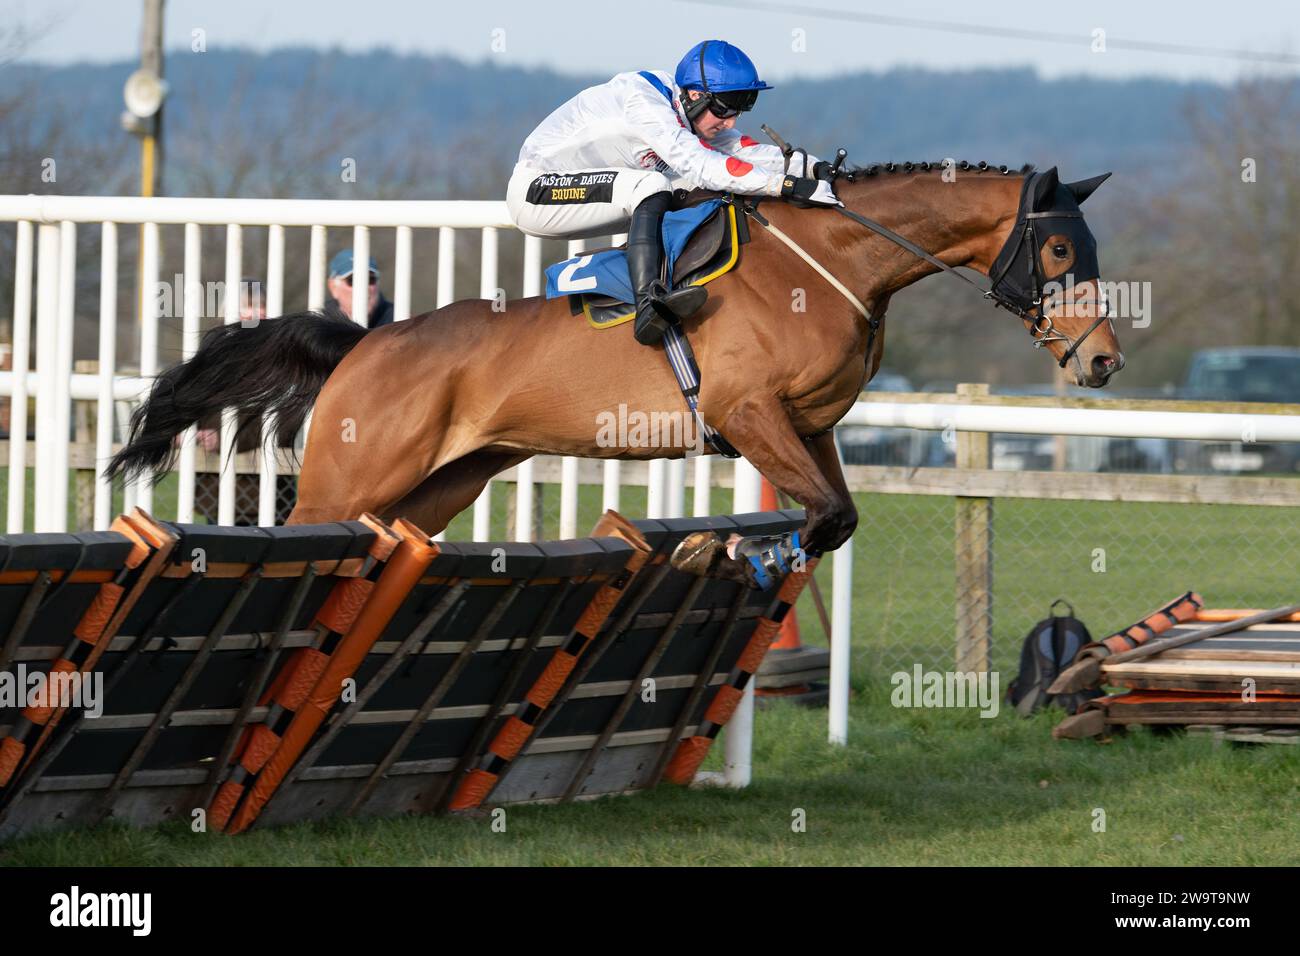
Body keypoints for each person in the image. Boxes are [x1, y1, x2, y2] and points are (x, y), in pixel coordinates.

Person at [507, 39, 841, 347]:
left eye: (741, 107)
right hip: (538, 191)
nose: (731, 120)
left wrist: (812, 168)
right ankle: (648, 305)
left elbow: (741, 150)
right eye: (726, 108)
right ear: (696, 95)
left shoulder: (686, 108)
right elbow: (703, 164)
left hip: (577, 190)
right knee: (655, 185)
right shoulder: (646, 103)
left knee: (692, 190)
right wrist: (784, 186)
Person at [323, 249, 395, 328]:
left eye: (370, 279)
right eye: (352, 280)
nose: (363, 288)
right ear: (333, 287)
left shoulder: (399, 318)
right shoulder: (321, 322)